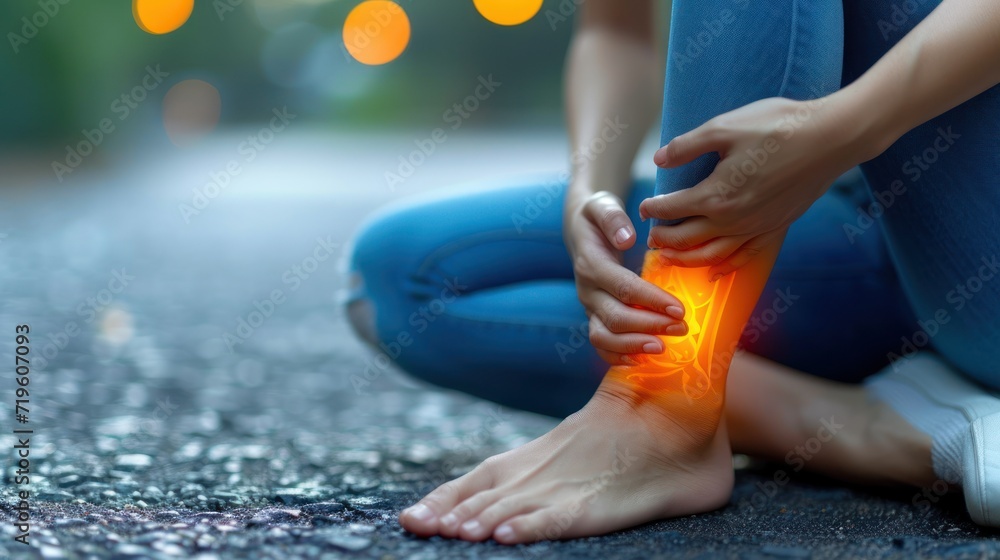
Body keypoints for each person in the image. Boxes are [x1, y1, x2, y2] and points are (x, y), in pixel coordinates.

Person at [345, 0, 1000, 544]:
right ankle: (865, 427)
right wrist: (588, 194)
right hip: (862, 219)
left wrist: (852, 124)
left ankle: (665, 407)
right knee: (402, 282)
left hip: (968, 223)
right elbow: (614, 29)